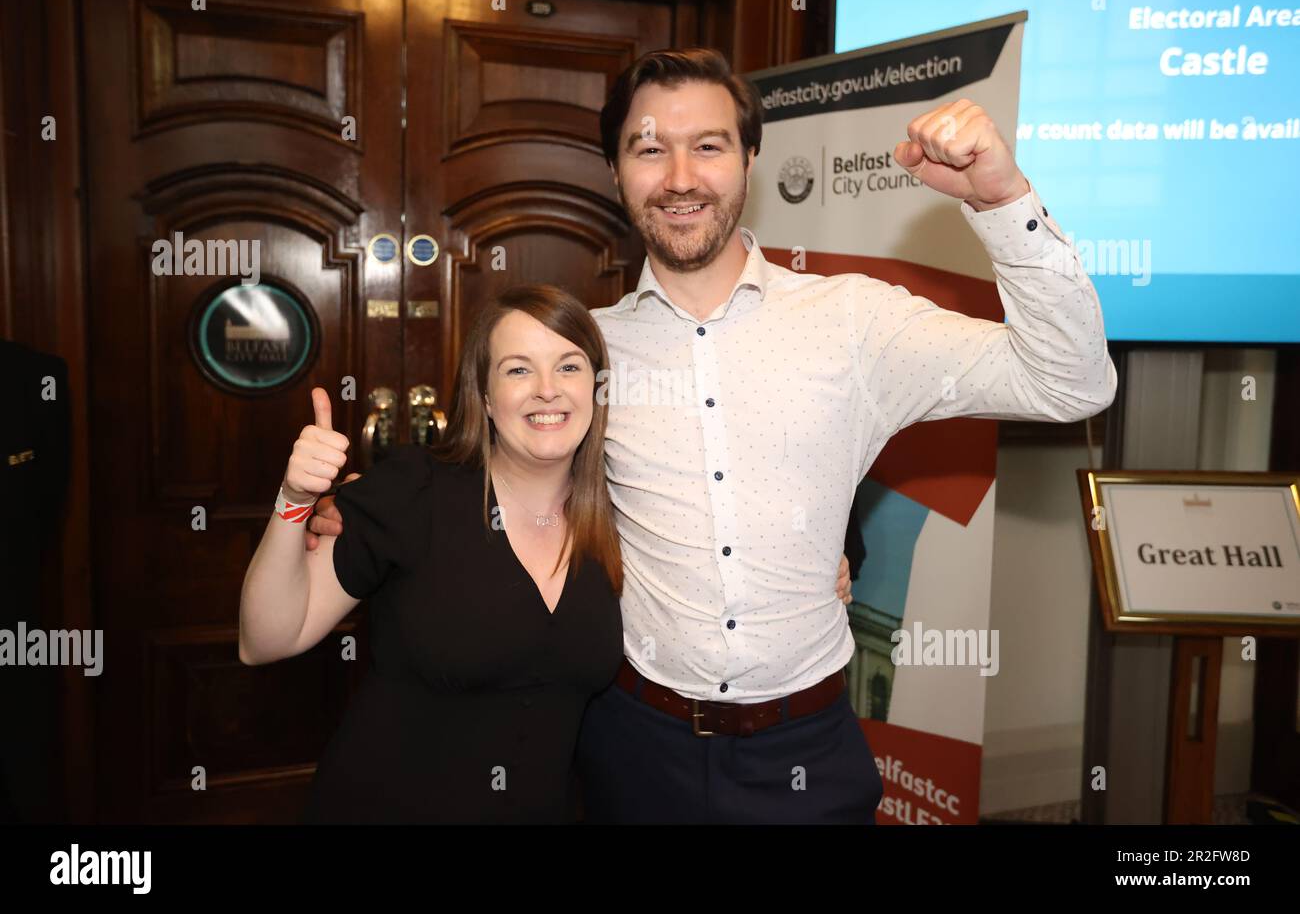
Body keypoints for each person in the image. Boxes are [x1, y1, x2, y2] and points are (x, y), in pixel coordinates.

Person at [312, 47, 1117, 824]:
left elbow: (1071, 382)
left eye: (708, 146)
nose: (680, 178)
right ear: (617, 172)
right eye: (648, 149)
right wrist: (350, 513)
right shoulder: (580, 353)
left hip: (808, 750)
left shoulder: (856, 319)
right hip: (631, 748)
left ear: (751, 159)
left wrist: (1002, 199)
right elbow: (484, 481)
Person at [239, 285, 626, 823]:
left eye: (568, 367)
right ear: (485, 397)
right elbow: (265, 639)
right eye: (518, 370)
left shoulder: (618, 516)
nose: (546, 390)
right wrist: (294, 501)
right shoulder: (414, 493)